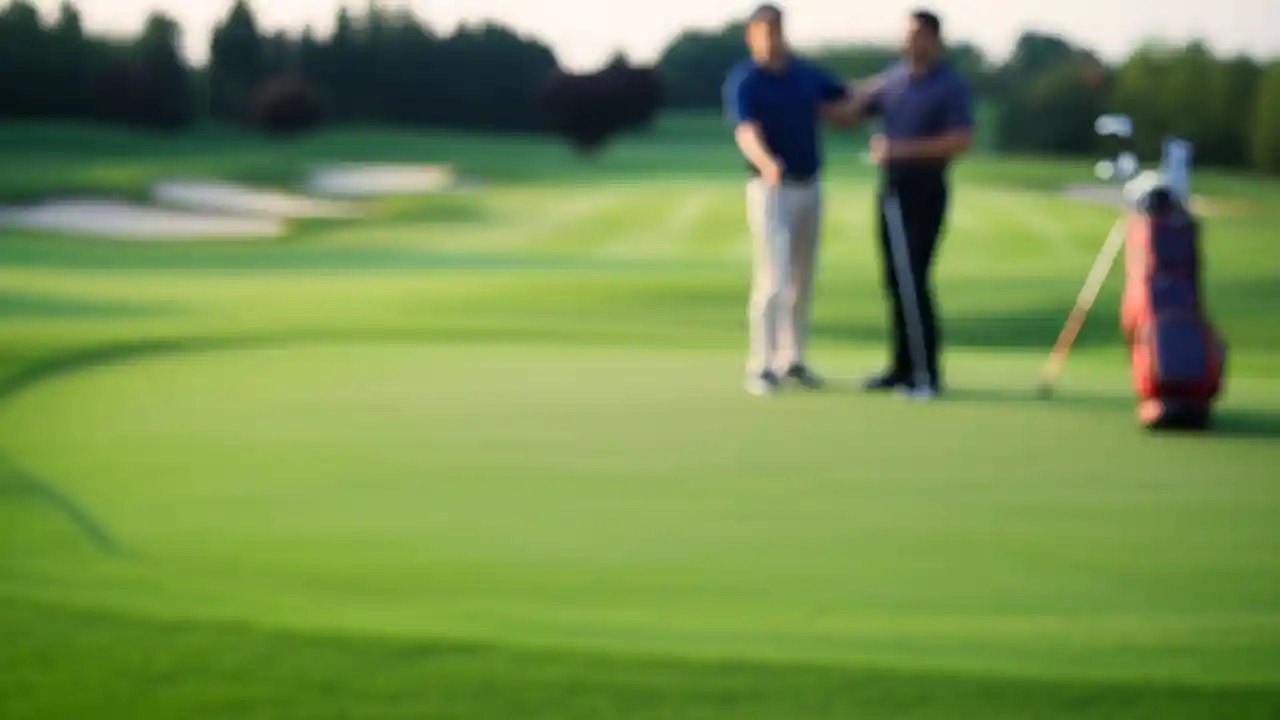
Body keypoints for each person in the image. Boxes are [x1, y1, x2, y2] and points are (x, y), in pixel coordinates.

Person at [723, 4, 853, 397]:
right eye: (764, 33)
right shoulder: (746, 81)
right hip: (770, 190)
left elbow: (847, 100)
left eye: (777, 31)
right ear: (752, 37)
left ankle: (791, 358)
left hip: (809, 184)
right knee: (773, 278)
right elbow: (745, 131)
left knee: (802, 279)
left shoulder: (805, 74)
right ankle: (761, 364)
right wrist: (765, 161)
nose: (772, 39)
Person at [853, 10, 974, 399]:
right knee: (894, 279)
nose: (910, 41)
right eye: (907, 34)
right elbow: (850, 105)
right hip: (891, 190)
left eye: (919, 35)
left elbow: (959, 140)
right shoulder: (892, 81)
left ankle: (927, 374)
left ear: (935, 41)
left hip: (925, 190)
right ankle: (901, 368)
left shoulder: (948, 86)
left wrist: (898, 150)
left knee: (914, 277)